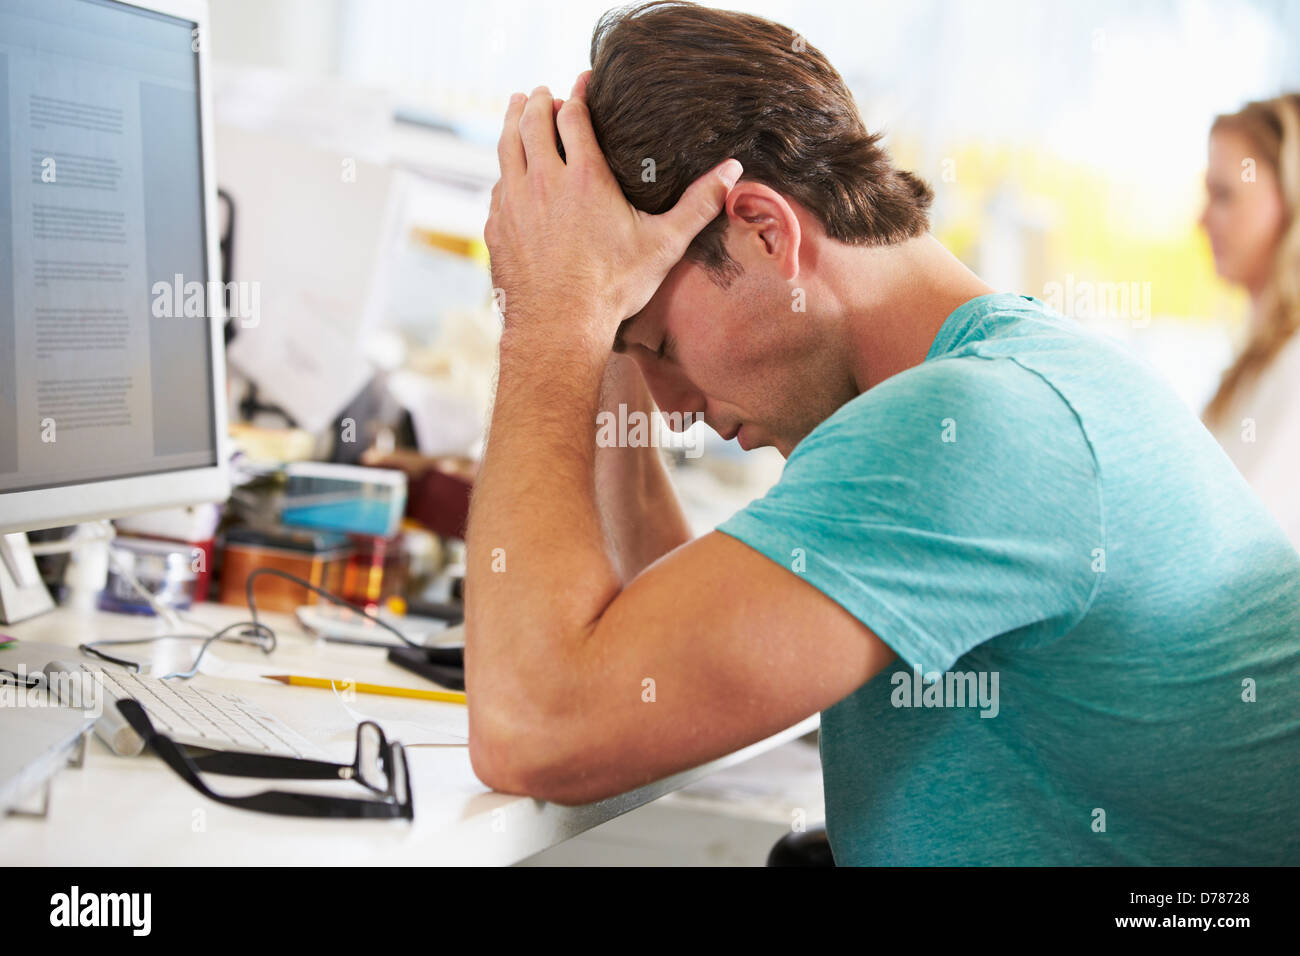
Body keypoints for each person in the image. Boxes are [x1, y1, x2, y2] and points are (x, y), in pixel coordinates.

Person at [465, 1, 1300, 865]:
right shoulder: (990, 385)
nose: (668, 406)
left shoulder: (978, 431)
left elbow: (539, 724)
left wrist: (552, 318)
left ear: (762, 231)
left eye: (664, 347)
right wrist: (588, 316)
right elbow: (661, 669)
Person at [1200, 93, 1300, 552]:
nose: (1201, 220)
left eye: (1224, 195)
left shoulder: (1292, 364)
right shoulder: (1258, 359)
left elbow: (1235, 550)